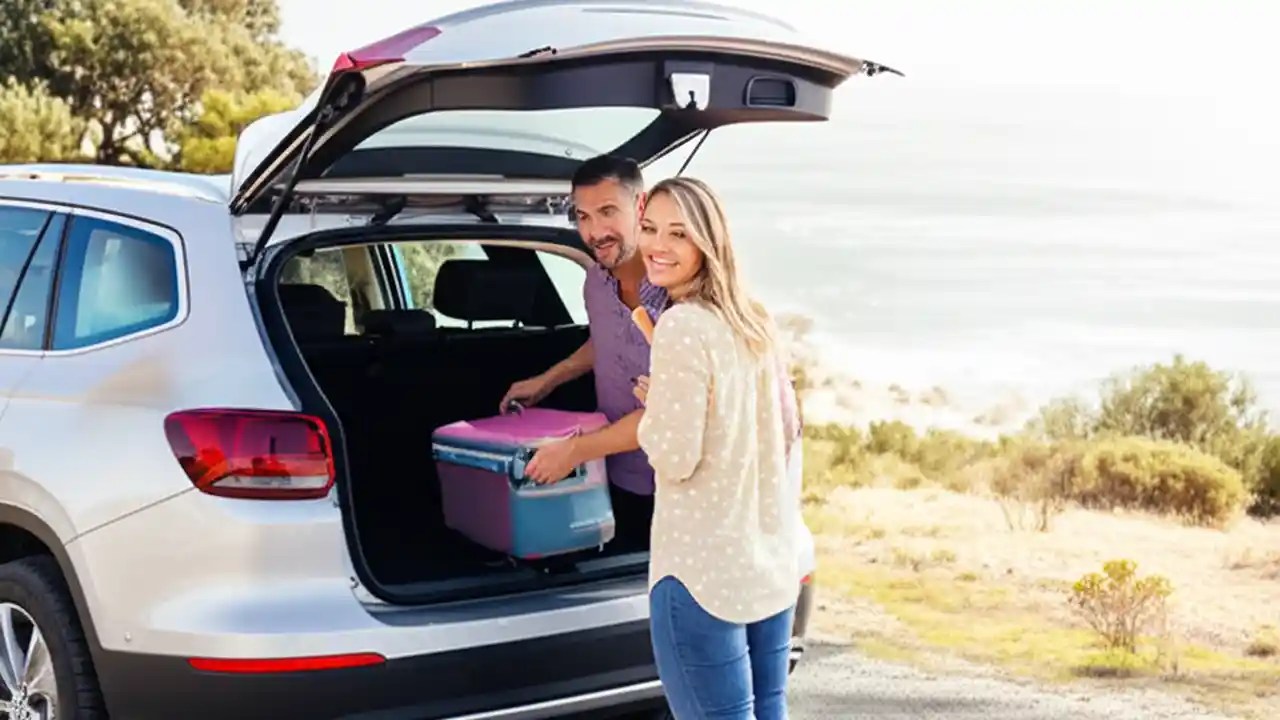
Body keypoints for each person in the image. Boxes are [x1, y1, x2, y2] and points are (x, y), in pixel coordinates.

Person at [632, 177, 802, 720]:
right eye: (650, 228)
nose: (657, 245)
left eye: (678, 233)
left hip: (699, 575)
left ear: (708, 242)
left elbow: (674, 456)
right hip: (766, 566)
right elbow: (787, 428)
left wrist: (656, 408)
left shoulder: (681, 326)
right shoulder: (753, 318)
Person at [500, 154, 668, 552]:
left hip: (677, 485)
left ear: (641, 206)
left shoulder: (676, 292)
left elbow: (671, 409)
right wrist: (548, 380)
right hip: (616, 472)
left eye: (607, 212)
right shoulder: (595, 282)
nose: (595, 232)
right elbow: (607, 341)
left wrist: (574, 451)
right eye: (583, 217)